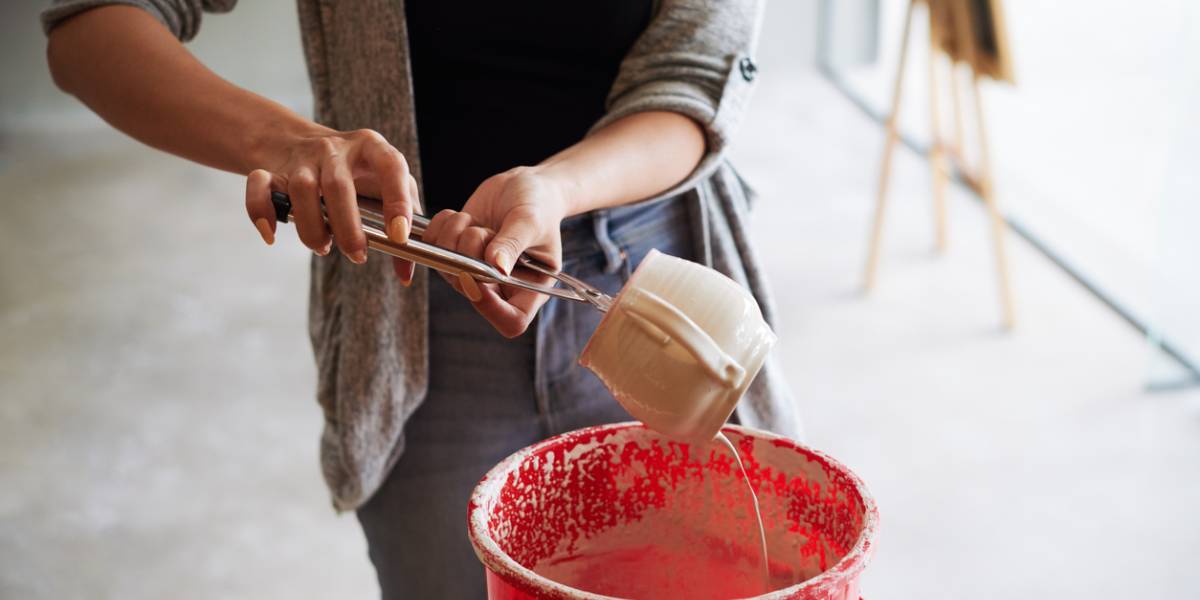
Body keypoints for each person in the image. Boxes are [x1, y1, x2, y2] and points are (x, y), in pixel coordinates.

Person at [43, 0, 801, 597]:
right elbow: (89, 26)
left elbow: (695, 73)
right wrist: (285, 141)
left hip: (660, 276)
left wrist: (555, 190)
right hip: (414, 317)